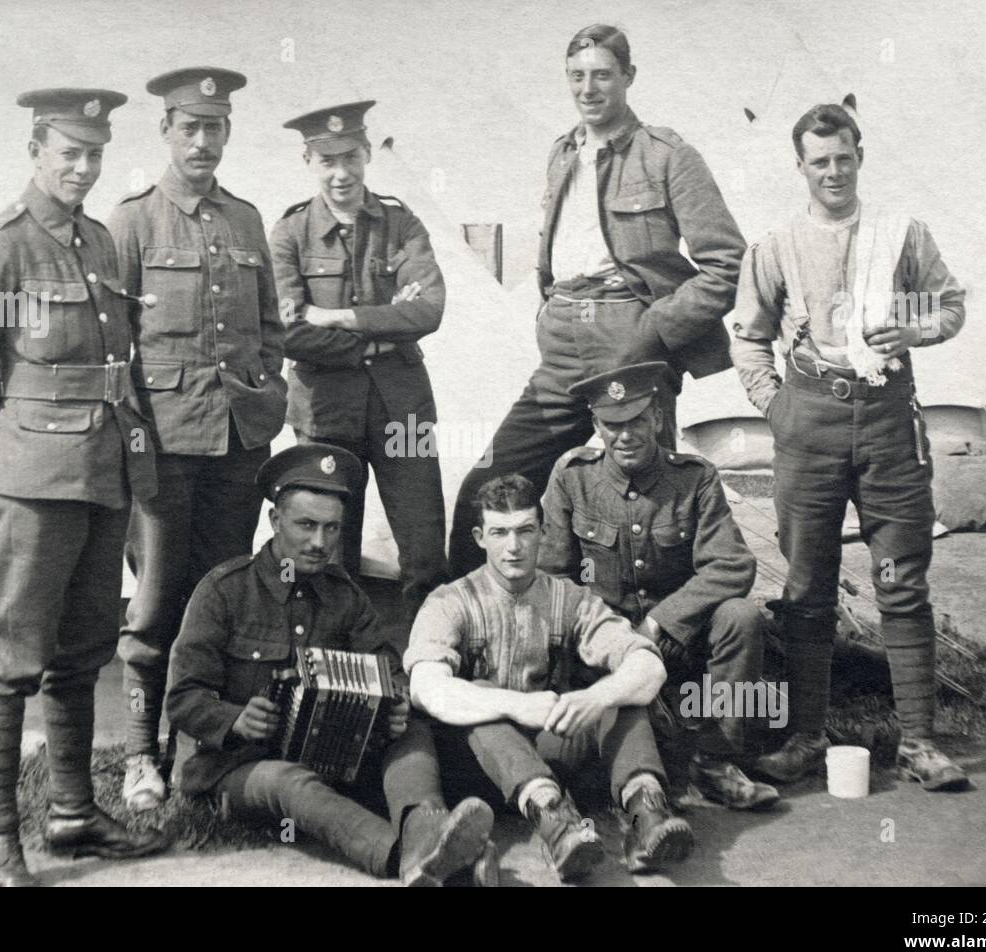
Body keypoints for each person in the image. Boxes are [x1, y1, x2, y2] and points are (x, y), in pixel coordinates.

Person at [0, 88, 167, 886]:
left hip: (104, 475)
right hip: (34, 483)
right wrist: (8, 464)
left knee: (83, 652)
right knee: (11, 659)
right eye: (69, 151)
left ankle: (73, 815)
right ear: (37, 148)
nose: (83, 167)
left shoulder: (100, 241)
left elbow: (119, 364)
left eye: (95, 153)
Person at [447, 23, 746, 578]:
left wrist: (653, 333)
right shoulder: (561, 154)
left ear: (628, 77)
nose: (588, 88)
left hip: (631, 344)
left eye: (603, 74)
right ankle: (483, 635)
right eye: (577, 76)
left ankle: (655, 646)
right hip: (561, 348)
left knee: (649, 515)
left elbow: (727, 265)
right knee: (488, 490)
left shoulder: (667, 155)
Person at [729, 102, 969, 790]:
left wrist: (915, 330)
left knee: (901, 577)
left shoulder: (902, 233)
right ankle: (807, 736)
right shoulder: (775, 244)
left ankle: (920, 742)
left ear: (860, 156)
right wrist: (775, 406)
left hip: (890, 416)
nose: (832, 172)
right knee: (806, 585)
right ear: (800, 167)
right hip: (808, 415)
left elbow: (950, 303)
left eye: (843, 158)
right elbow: (748, 333)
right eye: (818, 161)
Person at [165, 445, 497, 886]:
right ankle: (406, 858)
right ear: (274, 520)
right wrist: (235, 719)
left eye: (331, 529)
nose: (320, 543)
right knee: (289, 782)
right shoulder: (225, 590)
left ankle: (425, 831)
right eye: (306, 525)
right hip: (236, 767)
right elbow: (183, 696)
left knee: (412, 730)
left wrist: (395, 700)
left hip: (332, 755)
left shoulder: (344, 593)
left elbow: (387, 665)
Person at [108, 68, 289, 813]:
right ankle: (139, 757)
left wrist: (267, 397)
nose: (204, 142)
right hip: (164, 447)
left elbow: (270, 327)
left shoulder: (246, 221)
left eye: (216, 128)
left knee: (220, 600)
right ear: (167, 132)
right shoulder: (132, 223)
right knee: (155, 605)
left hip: (237, 444)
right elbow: (113, 352)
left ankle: (203, 754)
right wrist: (136, 448)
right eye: (191, 128)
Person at [407, 474, 693, 883]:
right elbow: (426, 689)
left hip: (549, 746)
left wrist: (597, 697)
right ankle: (556, 823)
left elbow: (648, 665)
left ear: (543, 531)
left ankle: (647, 814)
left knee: (619, 693)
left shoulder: (568, 597)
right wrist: (516, 704)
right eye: (500, 532)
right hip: (479, 767)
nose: (514, 546)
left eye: (525, 530)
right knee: (482, 697)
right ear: (479, 537)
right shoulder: (450, 601)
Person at [538, 363, 780, 811]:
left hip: (676, 638)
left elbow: (732, 565)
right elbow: (553, 575)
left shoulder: (693, 478)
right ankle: (641, 773)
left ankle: (717, 761)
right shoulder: (573, 476)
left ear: (657, 420)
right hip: (601, 643)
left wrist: (658, 623)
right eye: (612, 424)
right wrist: (601, 633)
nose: (625, 435)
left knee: (739, 617)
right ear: (596, 425)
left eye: (636, 422)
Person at [269, 100, 447, 611]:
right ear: (308, 161)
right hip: (326, 410)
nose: (341, 173)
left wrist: (339, 317)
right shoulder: (289, 233)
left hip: (403, 408)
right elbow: (288, 333)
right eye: (327, 161)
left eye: (351, 157)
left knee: (424, 550)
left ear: (368, 153)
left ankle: (425, 668)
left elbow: (429, 310)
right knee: (325, 552)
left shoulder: (401, 223)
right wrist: (380, 331)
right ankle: (334, 675)